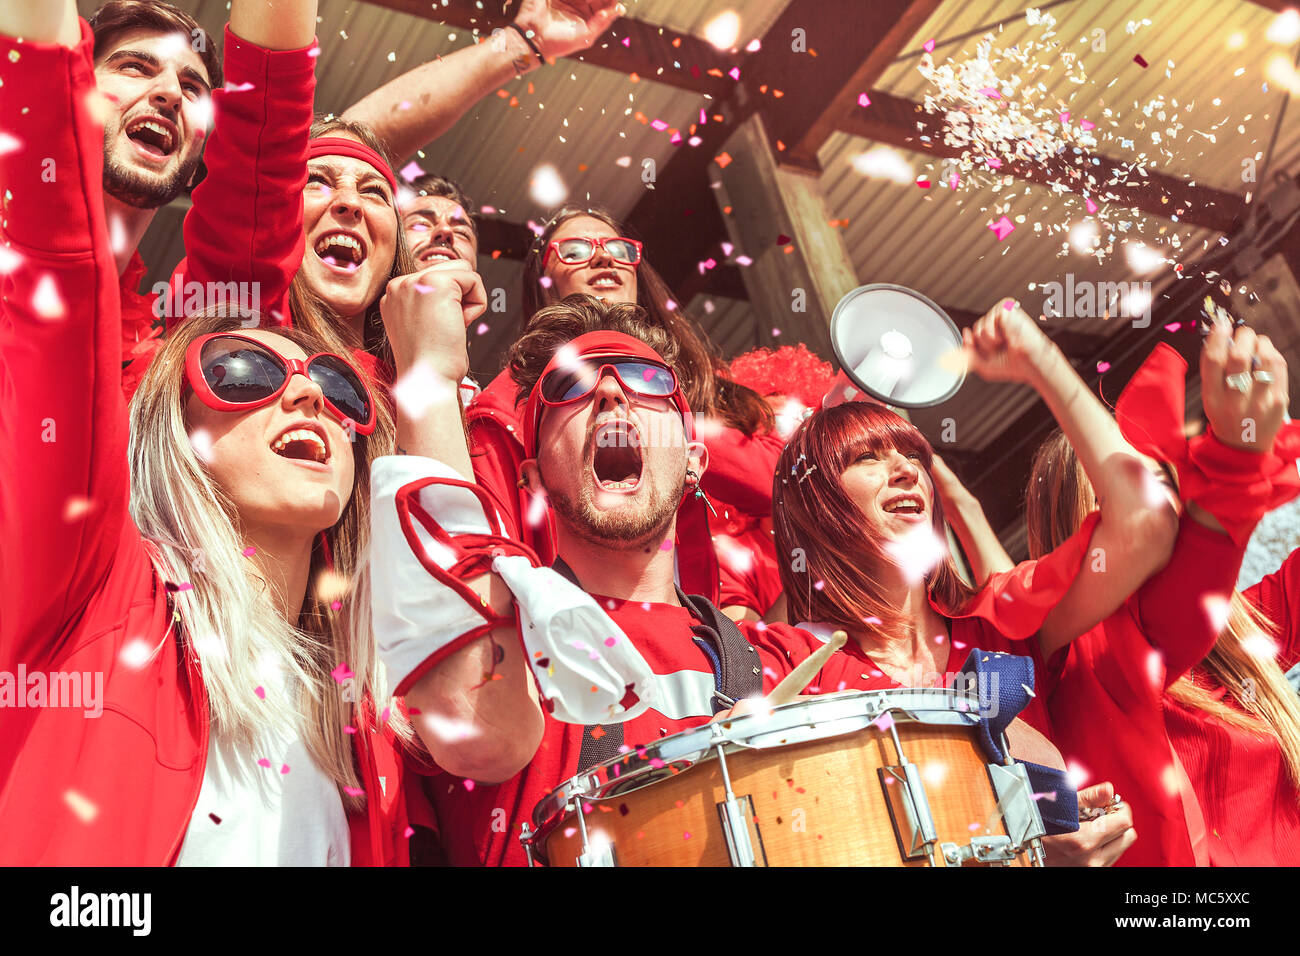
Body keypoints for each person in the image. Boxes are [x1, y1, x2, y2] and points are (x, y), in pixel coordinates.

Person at [0, 4, 412, 863]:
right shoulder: (44, 302)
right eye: (133, 69)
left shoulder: (190, 342)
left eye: (193, 84)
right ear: (73, 83)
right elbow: (54, 246)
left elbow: (259, 171)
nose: (168, 93)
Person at [368, 293, 833, 866]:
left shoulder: (787, 662)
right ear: (532, 477)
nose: (611, 392)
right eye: (569, 386)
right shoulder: (511, 649)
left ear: (694, 459)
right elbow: (476, 720)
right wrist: (430, 373)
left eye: (646, 380)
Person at [769, 299, 1187, 865]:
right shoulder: (783, 663)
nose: (906, 469)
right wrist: (1017, 844)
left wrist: (1042, 361)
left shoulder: (998, 622)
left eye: (914, 454)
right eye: (868, 456)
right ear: (815, 506)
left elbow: (1144, 522)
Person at [1029, 322, 1300, 865]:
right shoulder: (1071, 662)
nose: (1167, 506)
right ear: (1079, 530)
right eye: (1130, 494)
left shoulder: (1237, 635)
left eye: (1166, 480)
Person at [468, 205, 779, 598]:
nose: (603, 256)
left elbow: (779, 482)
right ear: (544, 280)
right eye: (576, 250)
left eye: (619, 248)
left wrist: (663, 413)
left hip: (708, 619)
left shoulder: (705, 381)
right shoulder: (508, 399)